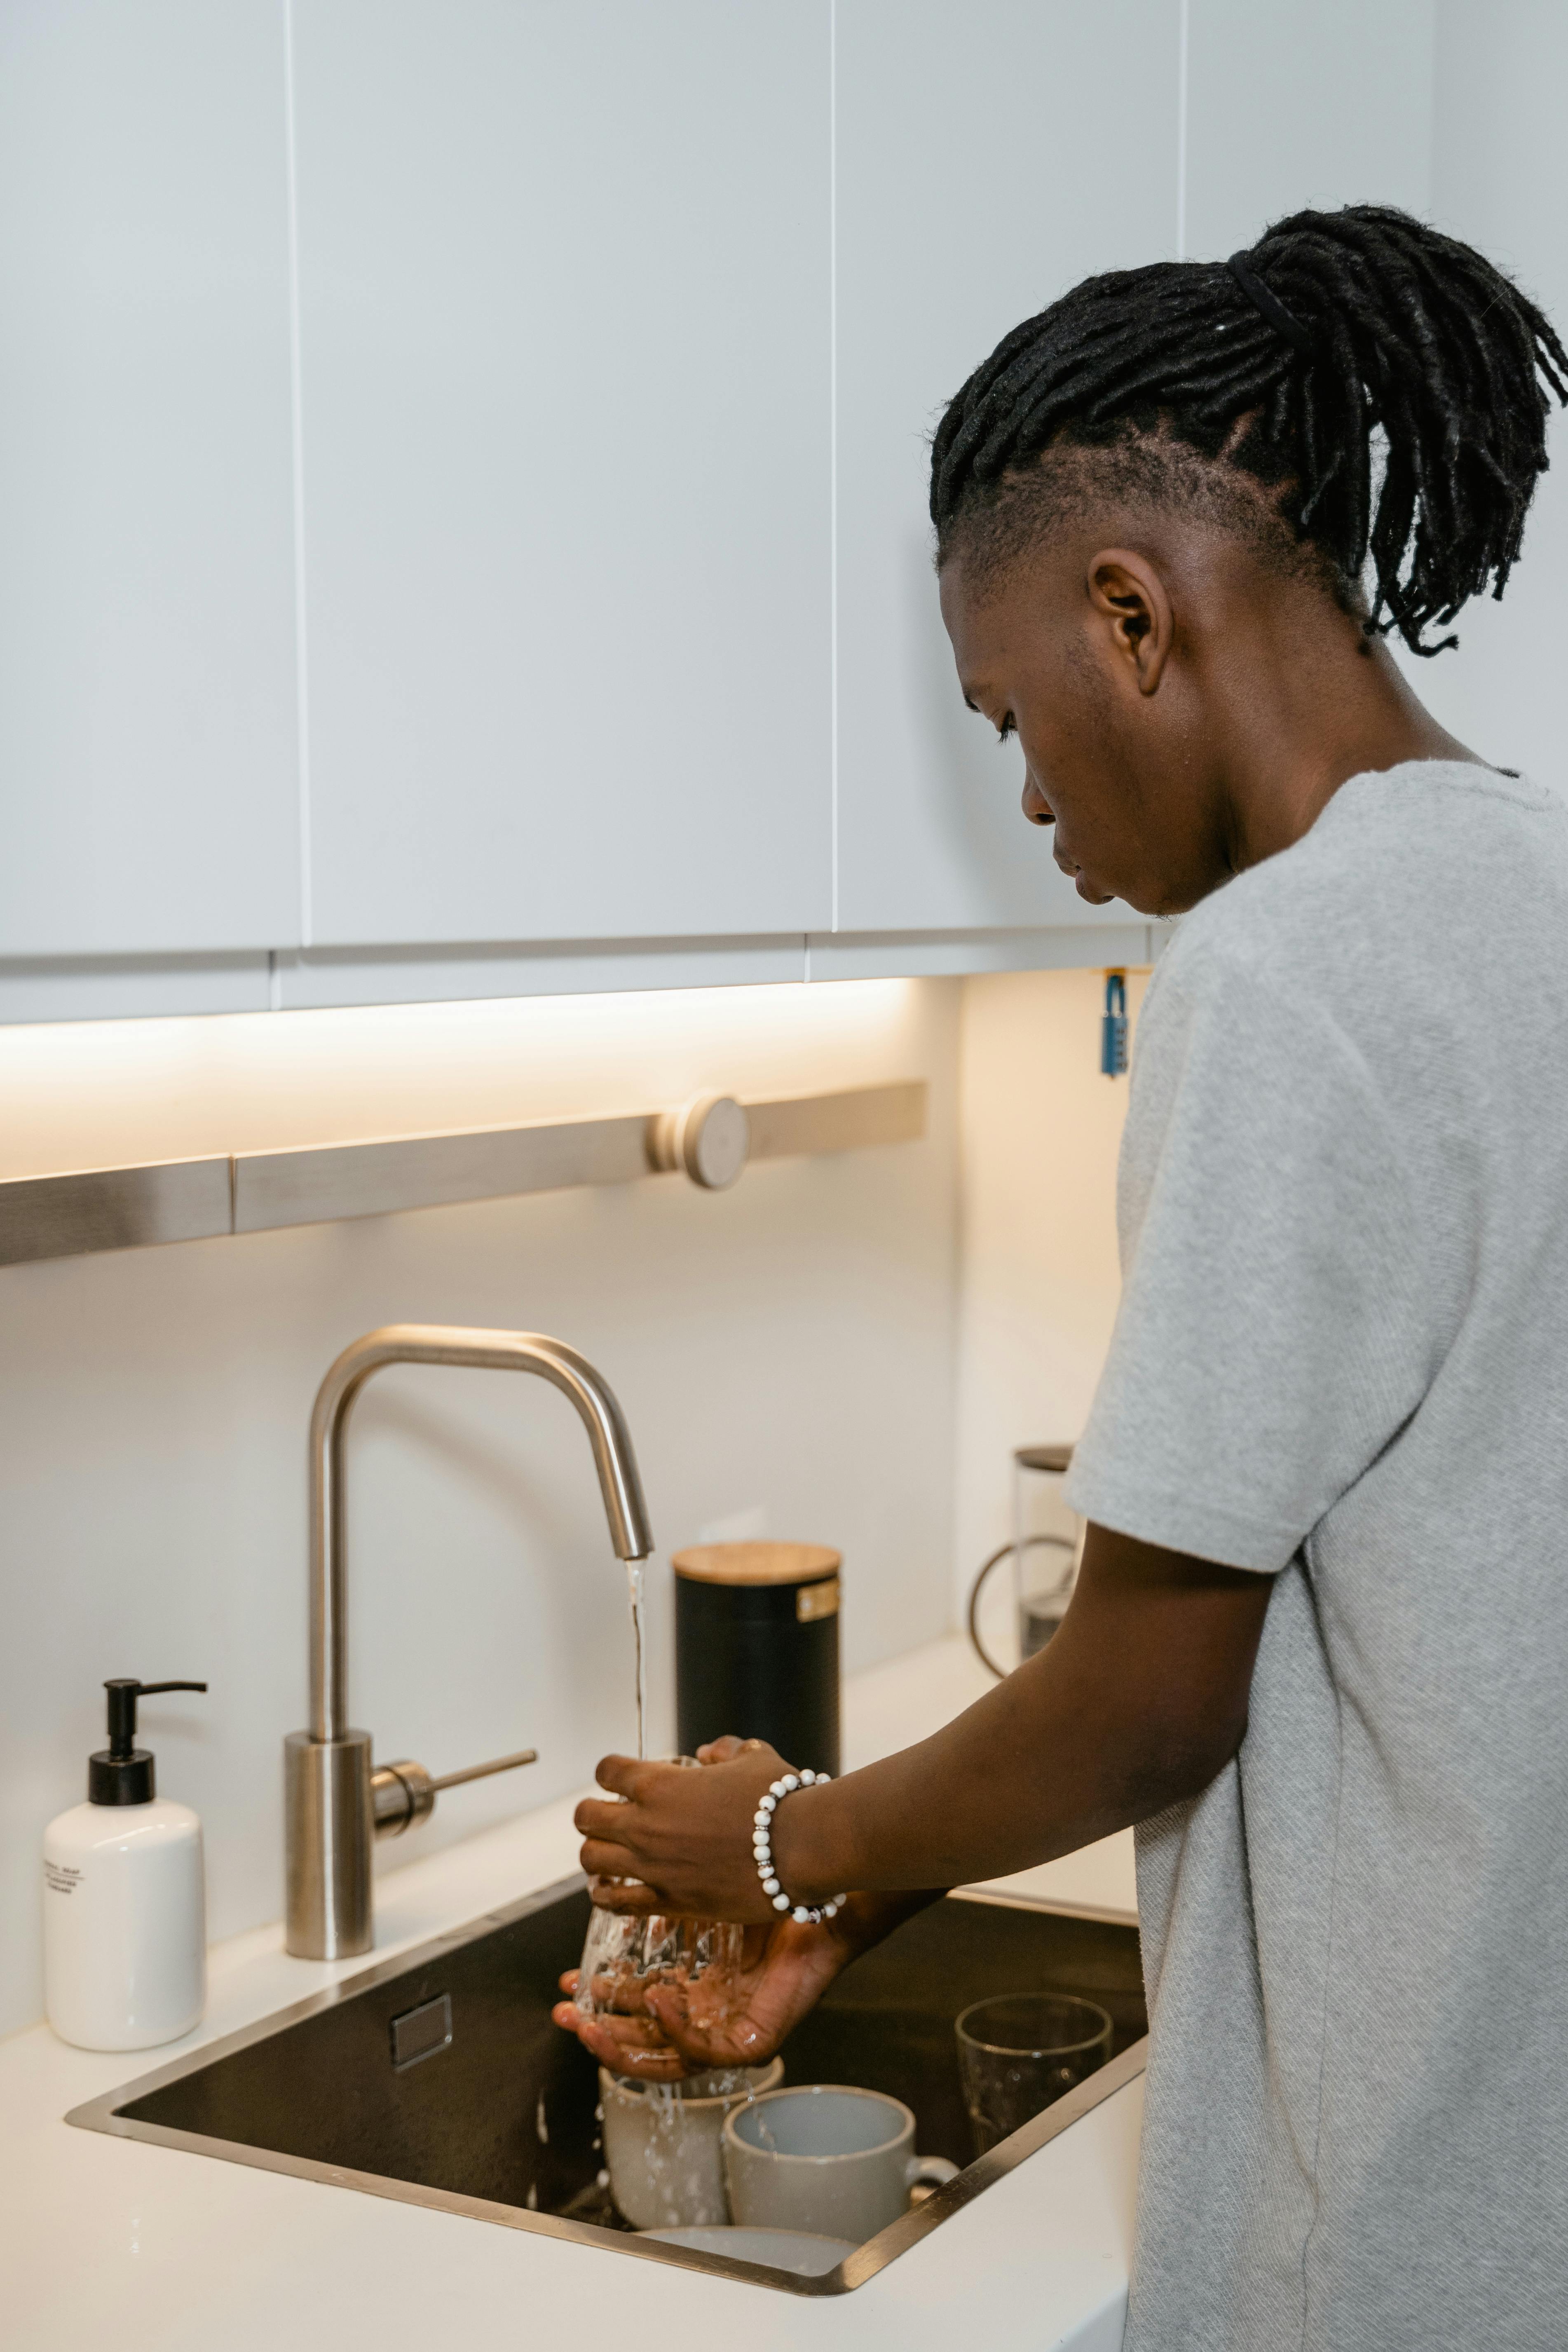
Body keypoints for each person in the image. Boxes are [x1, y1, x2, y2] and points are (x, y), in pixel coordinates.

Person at [554, 205, 1568, 2350]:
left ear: (1133, 613)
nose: (1022, 793)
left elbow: (1148, 1689)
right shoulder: (1533, 893)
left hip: (1382, 2251)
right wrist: (848, 1896)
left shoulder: (1283, 970)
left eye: (1009, 712)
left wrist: (780, 1840)